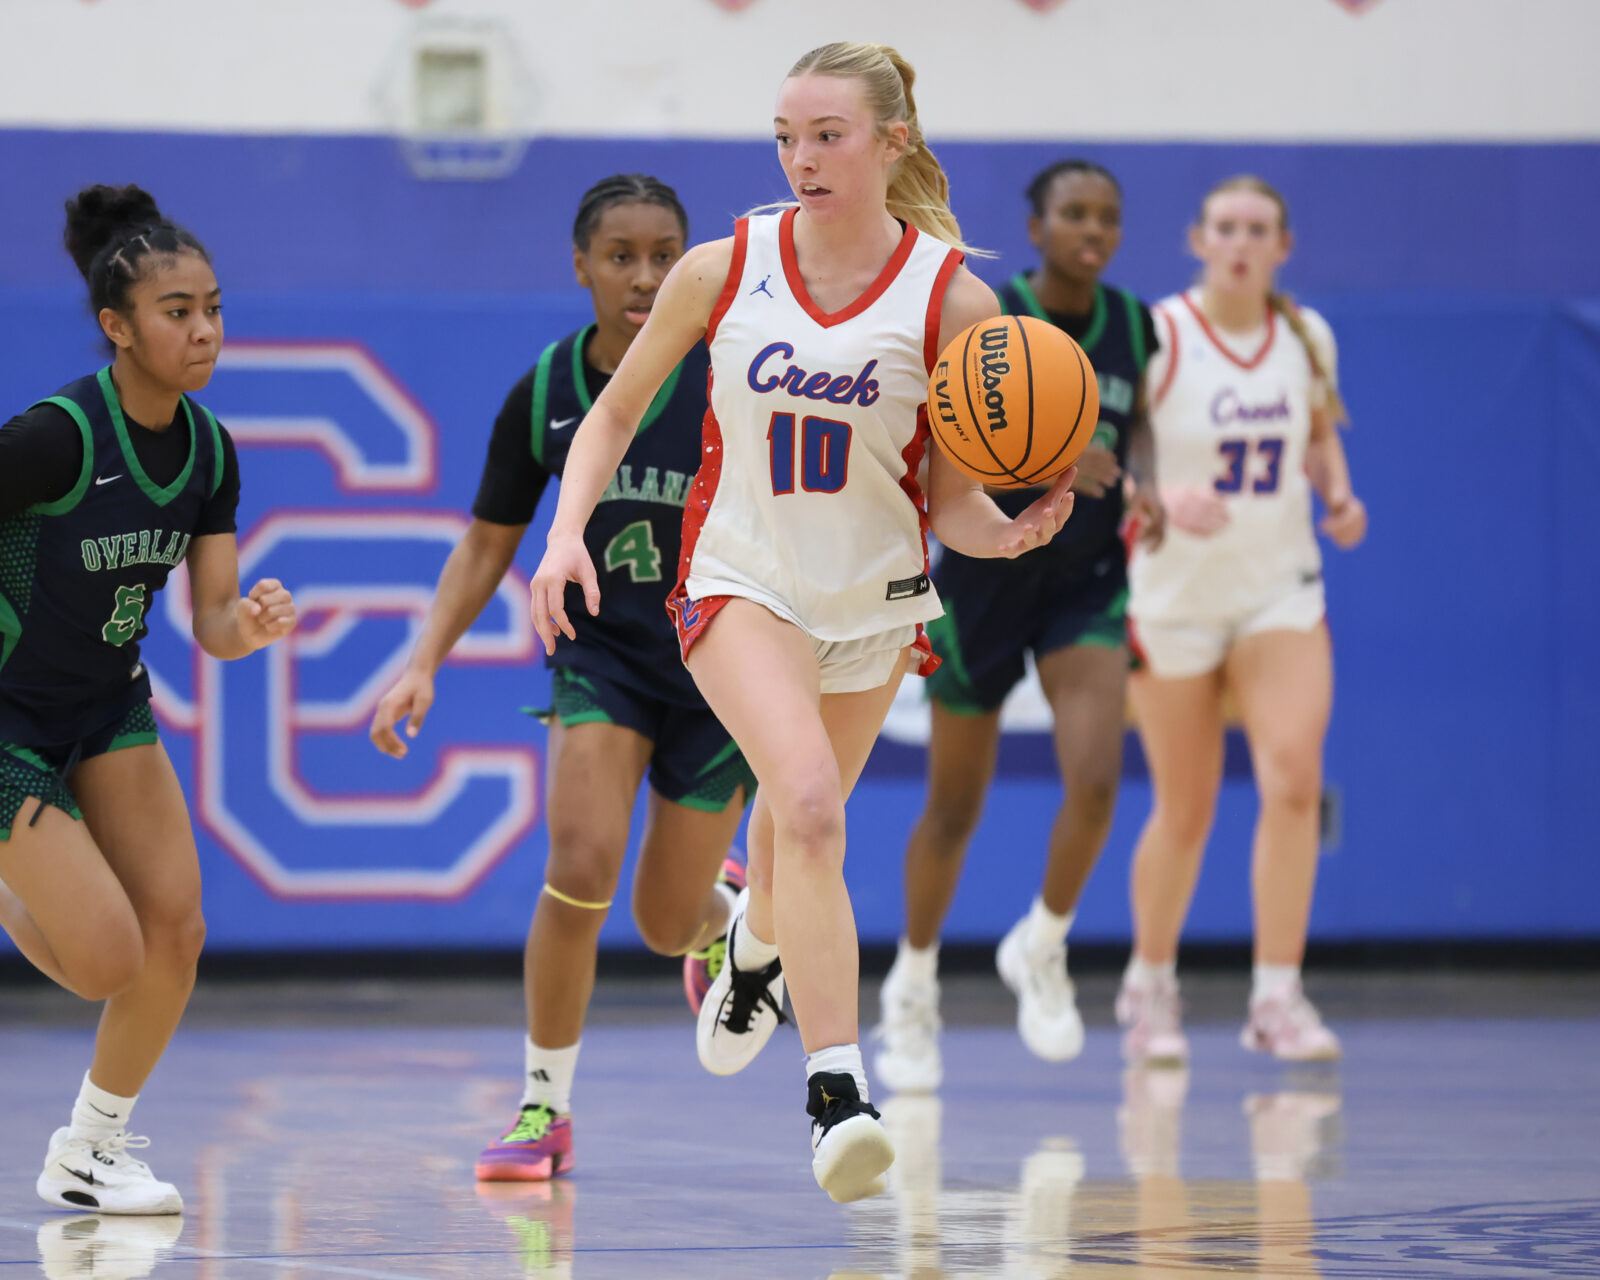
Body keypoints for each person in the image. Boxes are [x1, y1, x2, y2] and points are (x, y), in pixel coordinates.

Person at [529, 42, 1077, 1202]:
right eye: (786, 136)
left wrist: (1006, 534)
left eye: (827, 134)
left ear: (891, 142)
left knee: (788, 842)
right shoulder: (725, 267)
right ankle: (837, 1092)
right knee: (813, 807)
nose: (802, 157)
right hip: (739, 582)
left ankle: (752, 951)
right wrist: (566, 529)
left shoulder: (954, 301)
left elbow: (948, 501)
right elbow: (612, 413)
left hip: (872, 600)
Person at [370, 174, 754, 1182]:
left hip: (723, 668)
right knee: (579, 864)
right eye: (621, 256)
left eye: (664, 255)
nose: (645, 277)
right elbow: (485, 544)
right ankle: (543, 1104)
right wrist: (421, 662)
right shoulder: (545, 393)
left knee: (662, 923)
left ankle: (720, 916)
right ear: (581, 265)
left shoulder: (735, 378)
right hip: (603, 655)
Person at [0, 184, 296, 1213]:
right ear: (117, 327)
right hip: (8, 717)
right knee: (103, 959)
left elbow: (211, 621)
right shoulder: (53, 439)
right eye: (177, 312)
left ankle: (89, 1149)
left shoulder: (209, 452)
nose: (204, 329)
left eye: (212, 307)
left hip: (107, 703)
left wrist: (248, 625)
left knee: (174, 934)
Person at [875, 160, 1165, 1092]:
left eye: (1108, 215)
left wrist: (1144, 479)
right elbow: (947, 443)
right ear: (1036, 229)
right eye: (1075, 213)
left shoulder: (1134, 326)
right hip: (986, 579)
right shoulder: (990, 320)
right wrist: (1049, 457)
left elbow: (1138, 423)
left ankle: (1042, 943)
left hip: (1085, 582)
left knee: (1097, 780)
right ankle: (912, 984)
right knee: (954, 807)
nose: (1094, 229)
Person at [1117, 175, 1367, 1066]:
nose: (1240, 243)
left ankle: (1276, 996)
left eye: (1259, 229)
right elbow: (1108, 453)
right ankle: (1150, 984)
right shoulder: (1159, 333)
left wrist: (1339, 494)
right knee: (1184, 809)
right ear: (1198, 239)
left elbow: (1319, 434)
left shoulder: (1305, 335)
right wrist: (1159, 496)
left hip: (1278, 591)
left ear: (1282, 247)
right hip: (1173, 597)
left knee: (1293, 781)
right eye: (1225, 227)